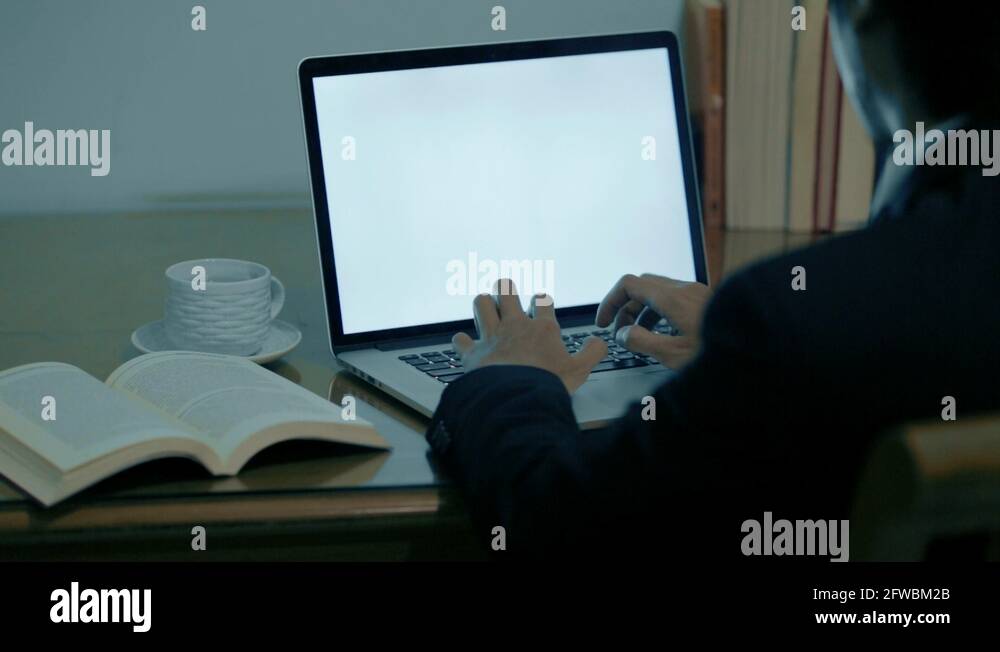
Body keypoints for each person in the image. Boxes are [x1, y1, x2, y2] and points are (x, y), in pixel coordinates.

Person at [425, 0, 1000, 557]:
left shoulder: (792, 322)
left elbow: (552, 523)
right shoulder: (812, 323)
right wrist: (738, 365)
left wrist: (511, 377)